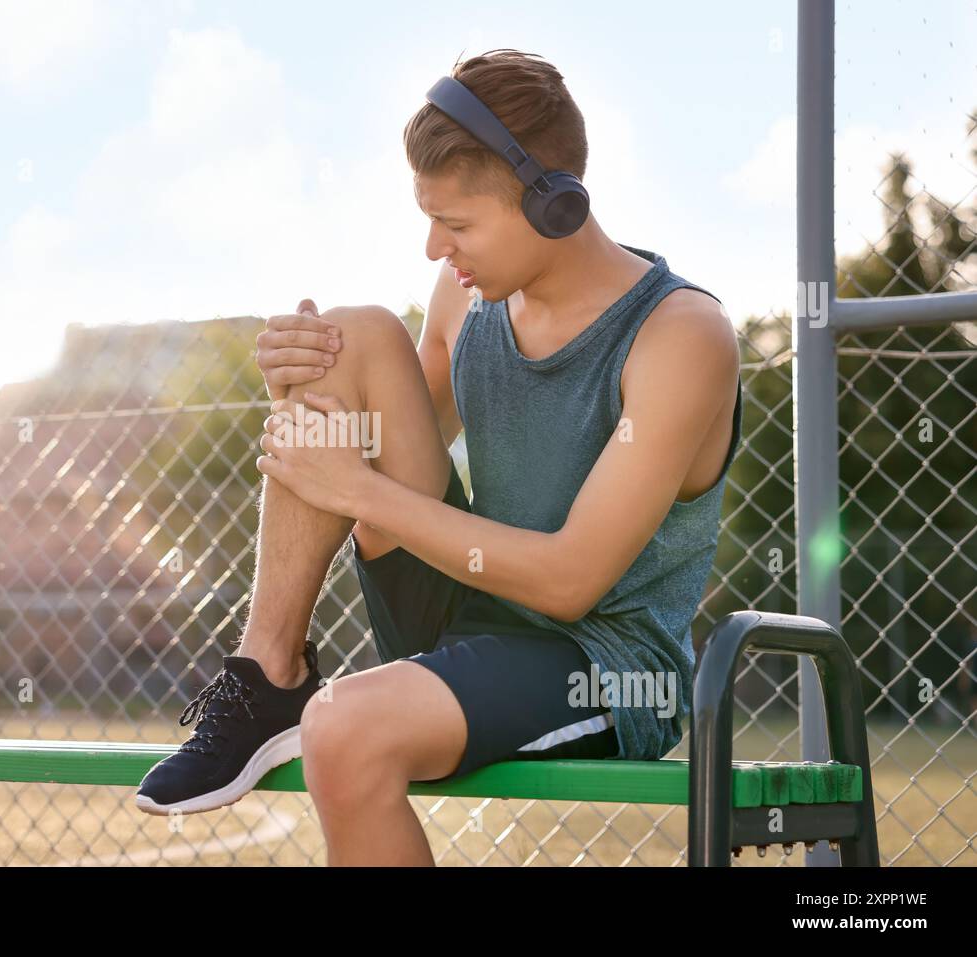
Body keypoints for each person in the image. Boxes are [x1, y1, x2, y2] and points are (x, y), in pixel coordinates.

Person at [136, 48, 742, 866]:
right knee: (347, 341)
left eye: (456, 225)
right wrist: (301, 376)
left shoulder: (679, 335)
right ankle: (266, 676)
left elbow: (571, 582)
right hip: (466, 613)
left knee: (345, 727)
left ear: (554, 206)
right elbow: (384, 442)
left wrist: (355, 486)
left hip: (599, 667)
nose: (433, 250)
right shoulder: (467, 295)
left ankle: (311, 704)